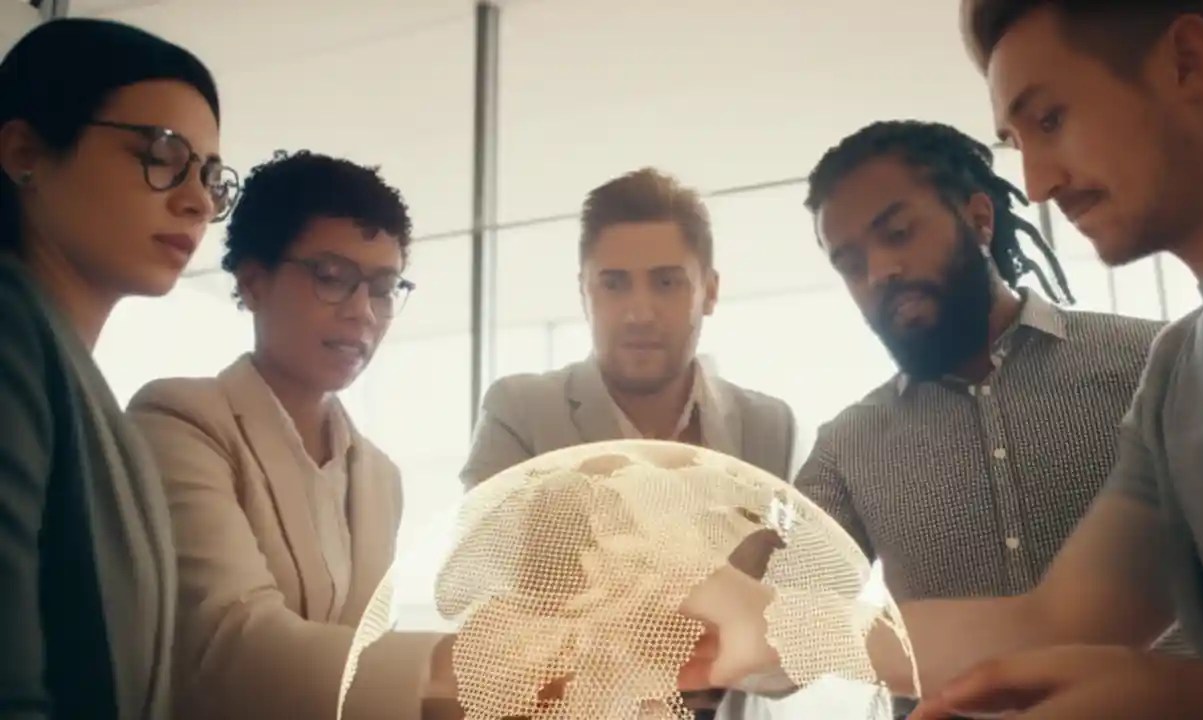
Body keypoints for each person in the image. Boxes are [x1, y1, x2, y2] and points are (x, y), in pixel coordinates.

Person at [679, 2, 1203, 718]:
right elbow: (1050, 626)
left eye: (1051, 119)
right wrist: (767, 626)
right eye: (1018, 139)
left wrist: (1196, 700)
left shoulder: (1139, 358)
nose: (1038, 182)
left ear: (1186, 60)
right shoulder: (1179, 374)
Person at [794, 119, 1173, 717]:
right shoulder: (846, 447)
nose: (879, 272)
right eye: (849, 262)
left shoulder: (1155, 365)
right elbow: (781, 603)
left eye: (897, 233)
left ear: (978, 218)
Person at [459, 167, 796, 719]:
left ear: (709, 291)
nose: (639, 312)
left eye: (667, 282)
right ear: (584, 292)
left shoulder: (768, 426)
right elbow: (489, 603)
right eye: (614, 283)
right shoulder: (521, 413)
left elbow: (797, 635)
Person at [126, 151, 437, 720]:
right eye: (332, 278)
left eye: (384, 287)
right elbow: (232, 644)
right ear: (254, 281)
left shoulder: (379, 476)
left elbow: (366, 661)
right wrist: (458, 668)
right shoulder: (179, 421)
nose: (363, 312)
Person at [0, 18, 231, 719]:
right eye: (161, 153)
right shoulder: (11, 328)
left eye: (212, 176)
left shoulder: (81, 382)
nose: (195, 200)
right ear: (24, 151)